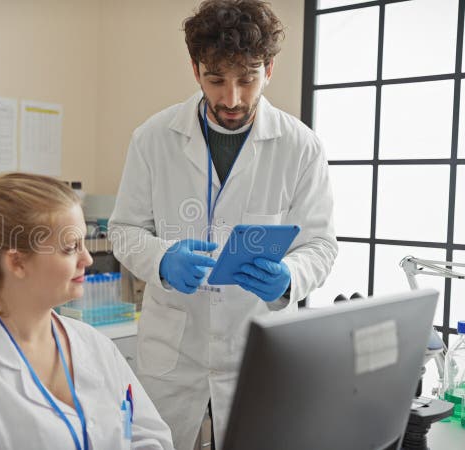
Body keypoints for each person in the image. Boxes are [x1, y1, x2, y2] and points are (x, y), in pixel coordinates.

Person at [108, 1, 338, 448]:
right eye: (216, 80)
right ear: (196, 70)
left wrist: (291, 277)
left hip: (254, 352)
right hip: (173, 356)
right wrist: (160, 259)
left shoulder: (300, 147)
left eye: (247, 79)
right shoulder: (153, 138)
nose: (232, 99)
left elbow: (321, 245)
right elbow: (124, 229)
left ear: (269, 69)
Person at [0, 173, 174, 450]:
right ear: (17, 262)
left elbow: (150, 438)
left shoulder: (97, 347)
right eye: (71, 248)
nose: (88, 259)